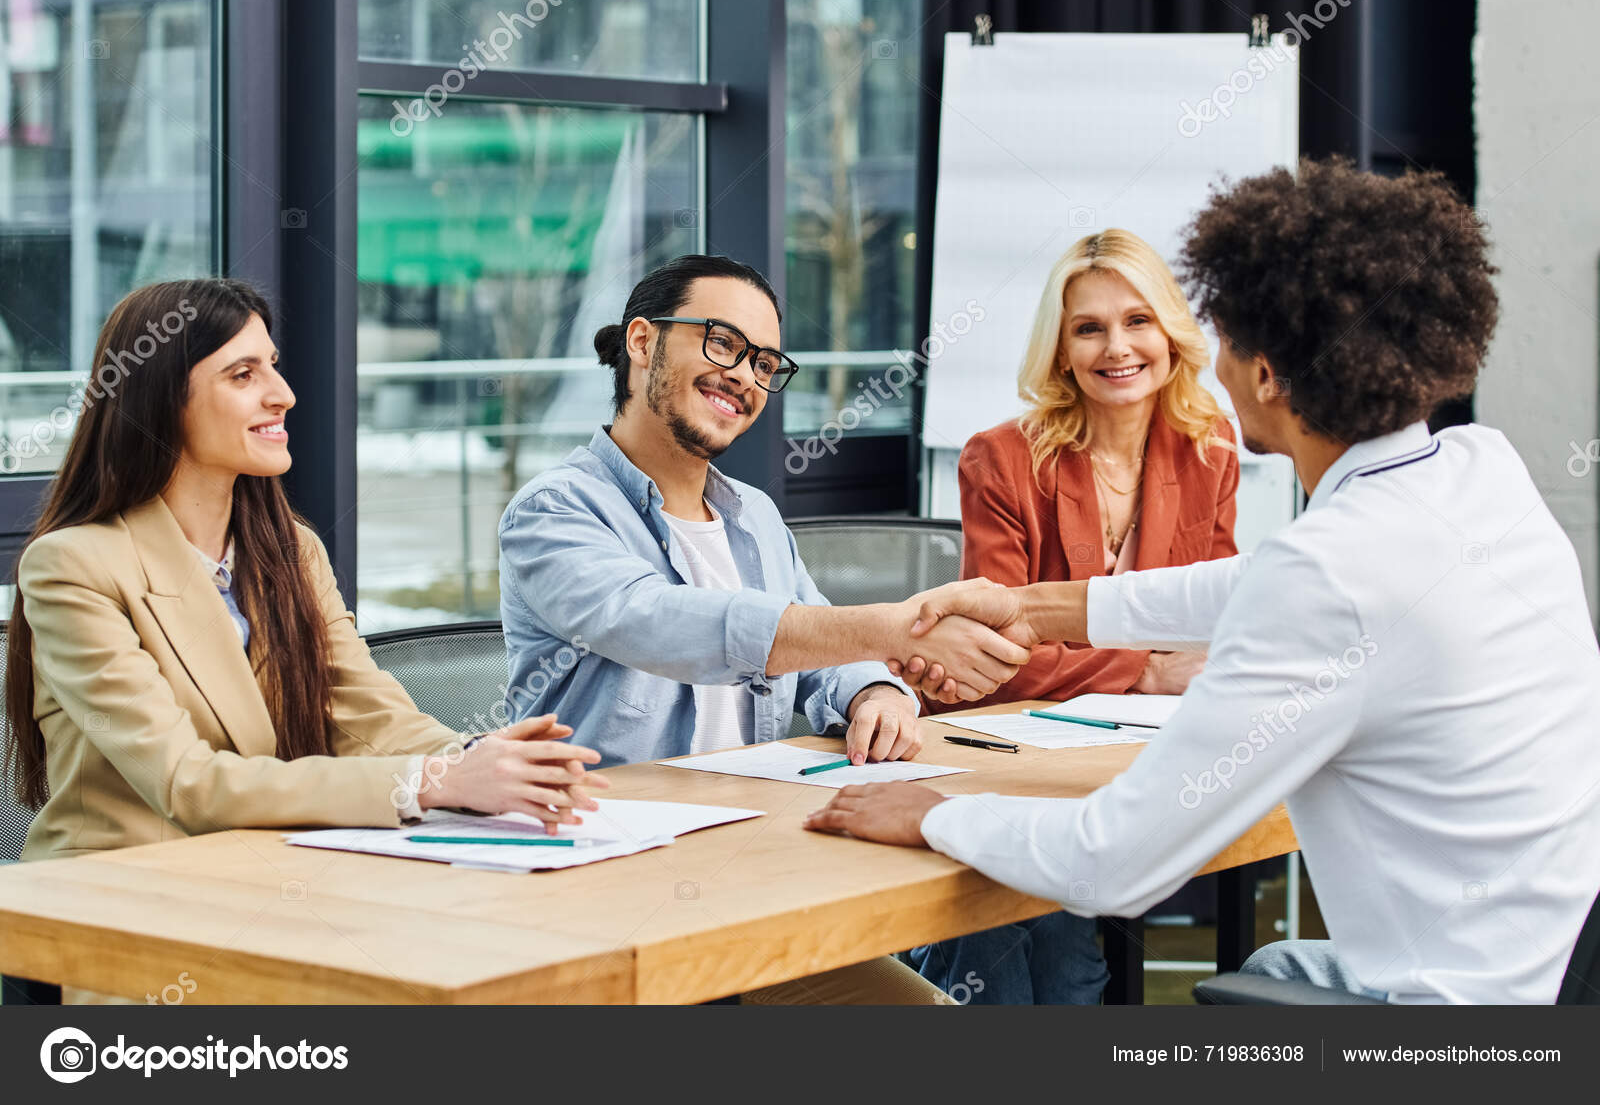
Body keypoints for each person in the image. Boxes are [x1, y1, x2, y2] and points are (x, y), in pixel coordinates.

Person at [805, 158, 1600, 1004]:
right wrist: (1031, 606)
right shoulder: (1483, 470)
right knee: (1267, 972)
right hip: (1550, 969)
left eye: (1219, 339)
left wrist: (928, 811)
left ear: (1265, 374)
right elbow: (1241, 581)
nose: (1208, 364)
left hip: (1438, 1016)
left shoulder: (1326, 569)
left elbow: (1113, 862)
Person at [498, 254, 1027, 1004]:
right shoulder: (555, 510)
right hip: (611, 891)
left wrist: (876, 688)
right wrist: (896, 628)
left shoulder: (753, 514)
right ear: (643, 342)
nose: (744, 375)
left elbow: (821, 653)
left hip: (756, 866)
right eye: (721, 343)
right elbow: (657, 623)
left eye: (765, 361)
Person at [4, 278, 608, 867]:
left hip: (265, 870)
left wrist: (480, 761)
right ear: (162, 401)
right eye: (243, 375)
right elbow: (185, 782)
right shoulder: (74, 567)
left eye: (272, 364)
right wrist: (429, 782)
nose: (283, 393)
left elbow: (364, 712)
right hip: (117, 896)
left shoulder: (291, 550)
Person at [912, 229, 1240, 1005]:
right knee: (1035, 948)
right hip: (1010, 755)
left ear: (1170, 334)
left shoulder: (1210, 448)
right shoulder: (1001, 459)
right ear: (1059, 350)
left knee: (1057, 953)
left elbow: (1218, 630)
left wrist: (1169, 666)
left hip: (1138, 761)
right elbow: (989, 658)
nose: (1116, 347)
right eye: (1088, 328)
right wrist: (1147, 668)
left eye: (1138, 321)